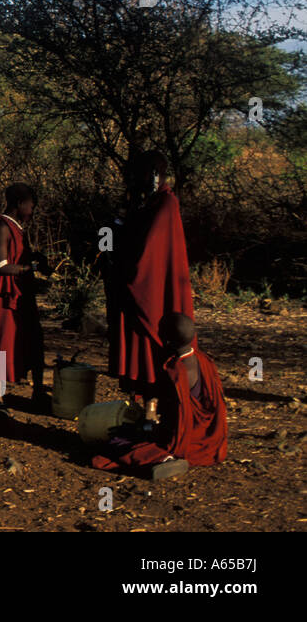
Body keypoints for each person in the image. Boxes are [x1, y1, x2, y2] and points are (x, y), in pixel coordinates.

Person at [91, 313, 227, 479]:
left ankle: (163, 459)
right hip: (211, 441)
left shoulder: (174, 372)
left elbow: (170, 421)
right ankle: (164, 458)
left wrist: (144, 428)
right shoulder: (205, 361)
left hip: (185, 442)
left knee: (117, 442)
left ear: (167, 339)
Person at [108, 151, 194, 400]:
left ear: (155, 174)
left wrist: (125, 272)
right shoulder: (147, 204)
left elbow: (149, 254)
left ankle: (153, 406)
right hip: (137, 286)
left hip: (151, 290)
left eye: (141, 173)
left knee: (153, 340)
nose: (135, 179)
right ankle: (141, 405)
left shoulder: (166, 205)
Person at [0, 183, 50, 416]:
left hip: (21, 295)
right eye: (31, 206)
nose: (32, 211)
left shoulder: (17, 228)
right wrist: (30, 267)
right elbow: (1, 265)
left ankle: (38, 391)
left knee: (33, 341)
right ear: (19, 204)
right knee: (1, 344)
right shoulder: (2, 226)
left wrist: (35, 258)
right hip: (5, 297)